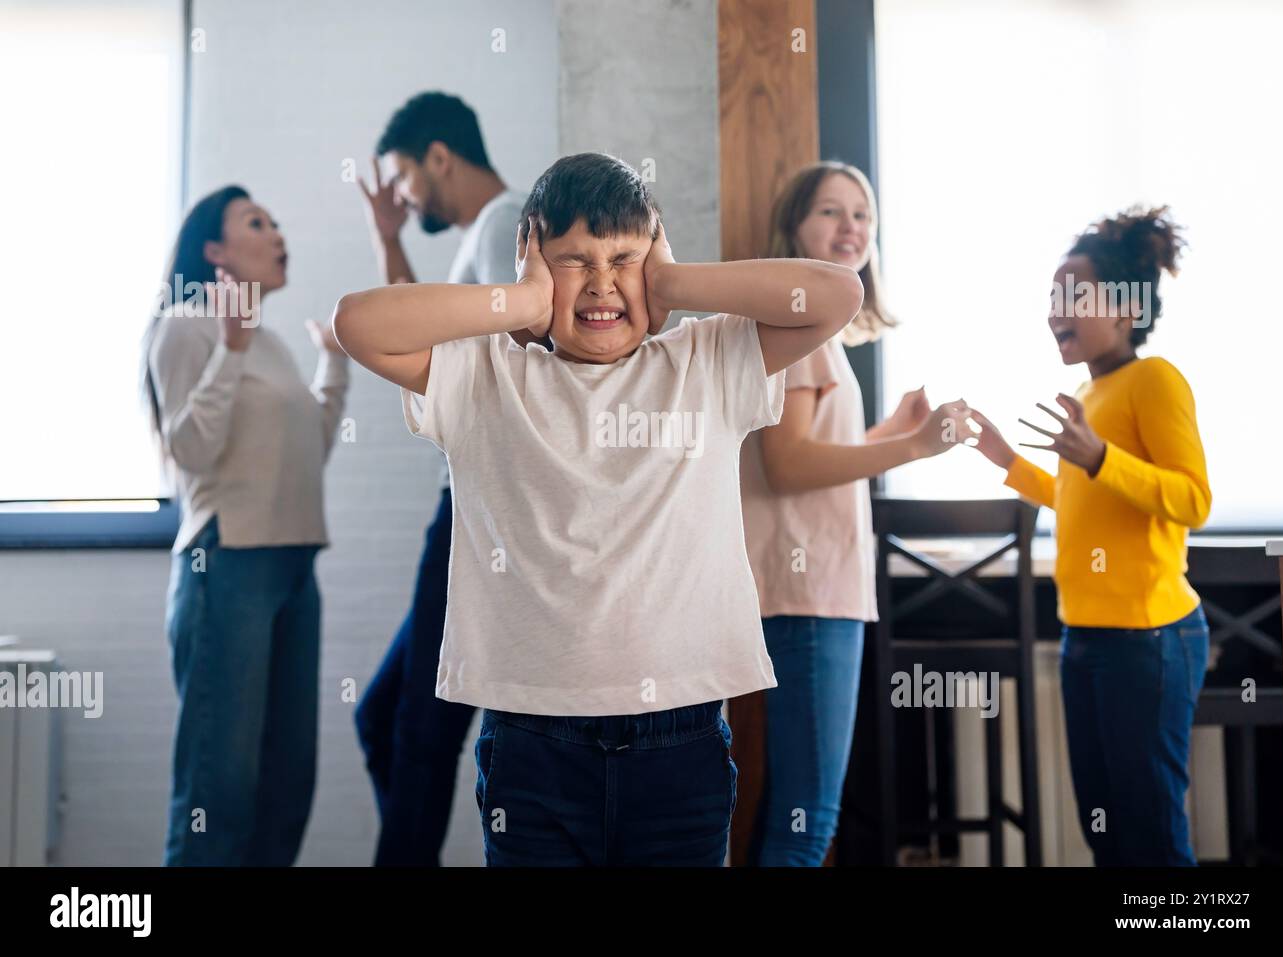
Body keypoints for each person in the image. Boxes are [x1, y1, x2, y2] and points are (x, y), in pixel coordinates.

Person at [335, 152, 969, 866]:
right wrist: (517, 301)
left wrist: (672, 281)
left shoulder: (704, 361)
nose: (603, 282)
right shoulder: (484, 374)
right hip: (531, 746)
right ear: (533, 259)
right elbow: (359, 322)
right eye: (574, 260)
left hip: (682, 743)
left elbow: (838, 295)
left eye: (624, 259)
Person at [968, 206, 1211, 866]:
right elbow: (1079, 501)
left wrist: (1101, 456)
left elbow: (1193, 499)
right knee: (1103, 827)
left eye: (1073, 293)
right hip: (1086, 637)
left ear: (1126, 309)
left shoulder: (1154, 381)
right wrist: (1007, 460)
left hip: (1151, 639)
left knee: (1151, 830)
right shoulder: (1088, 393)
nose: (1056, 309)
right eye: (1052, 295)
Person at [740, 160, 963, 866]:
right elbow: (789, 465)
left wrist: (892, 433)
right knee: (811, 819)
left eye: (861, 214)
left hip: (811, 590)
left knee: (798, 811)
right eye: (831, 212)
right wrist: (912, 447)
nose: (850, 227)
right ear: (795, 228)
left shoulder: (815, 325)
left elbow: (811, 456)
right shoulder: (800, 316)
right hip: (808, 596)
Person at [144, 185, 350, 865]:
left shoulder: (273, 342)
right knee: (219, 795)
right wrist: (229, 348)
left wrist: (334, 365)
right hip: (226, 564)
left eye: (276, 221)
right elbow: (190, 448)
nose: (277, 232)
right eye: (257, 223)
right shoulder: (186, 325)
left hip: (295, 568)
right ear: (215, 251)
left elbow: (306, 457)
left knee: (289, 786)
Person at [352, 91, 527, 867]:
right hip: (463, 507)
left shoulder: (507, 220)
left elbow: (515, 349)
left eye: (405, 178)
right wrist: (387, 238)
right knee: (387, 715)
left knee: (421, 733)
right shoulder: (479, 236)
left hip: (476, 510)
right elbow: (416, 325)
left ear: (440, 158)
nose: (405, 194)